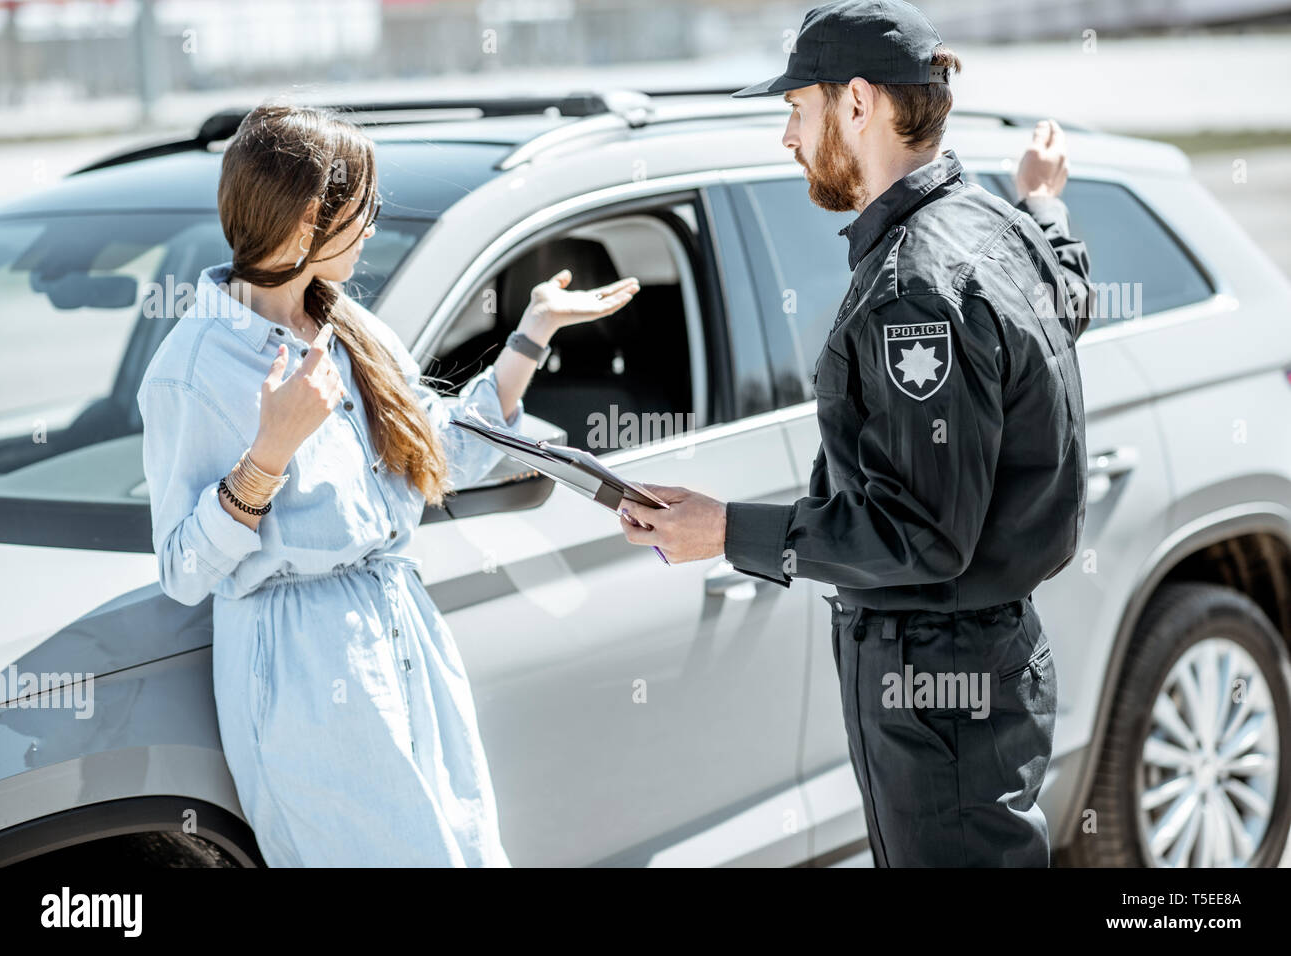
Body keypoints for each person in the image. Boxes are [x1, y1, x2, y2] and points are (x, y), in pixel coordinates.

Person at [618, 0, 1094, 866]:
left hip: (937, 694)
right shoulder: (997, 225)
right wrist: (1043, 201)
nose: (788, 137)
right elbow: (1070, 294)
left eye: (798, 108)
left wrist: (726, 530)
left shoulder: (915, 287)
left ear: (860, 103)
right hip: (981, 670)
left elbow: (923, 534)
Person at [137, 103, 640, 866]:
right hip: (303, 663)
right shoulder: (194, 365)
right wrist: (269, 451)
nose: (373, 222)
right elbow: (181, 570)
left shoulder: (351, 329)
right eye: (361, 204)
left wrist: (531, 334)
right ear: (309, 218)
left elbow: (442, 451)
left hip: (401, 630)